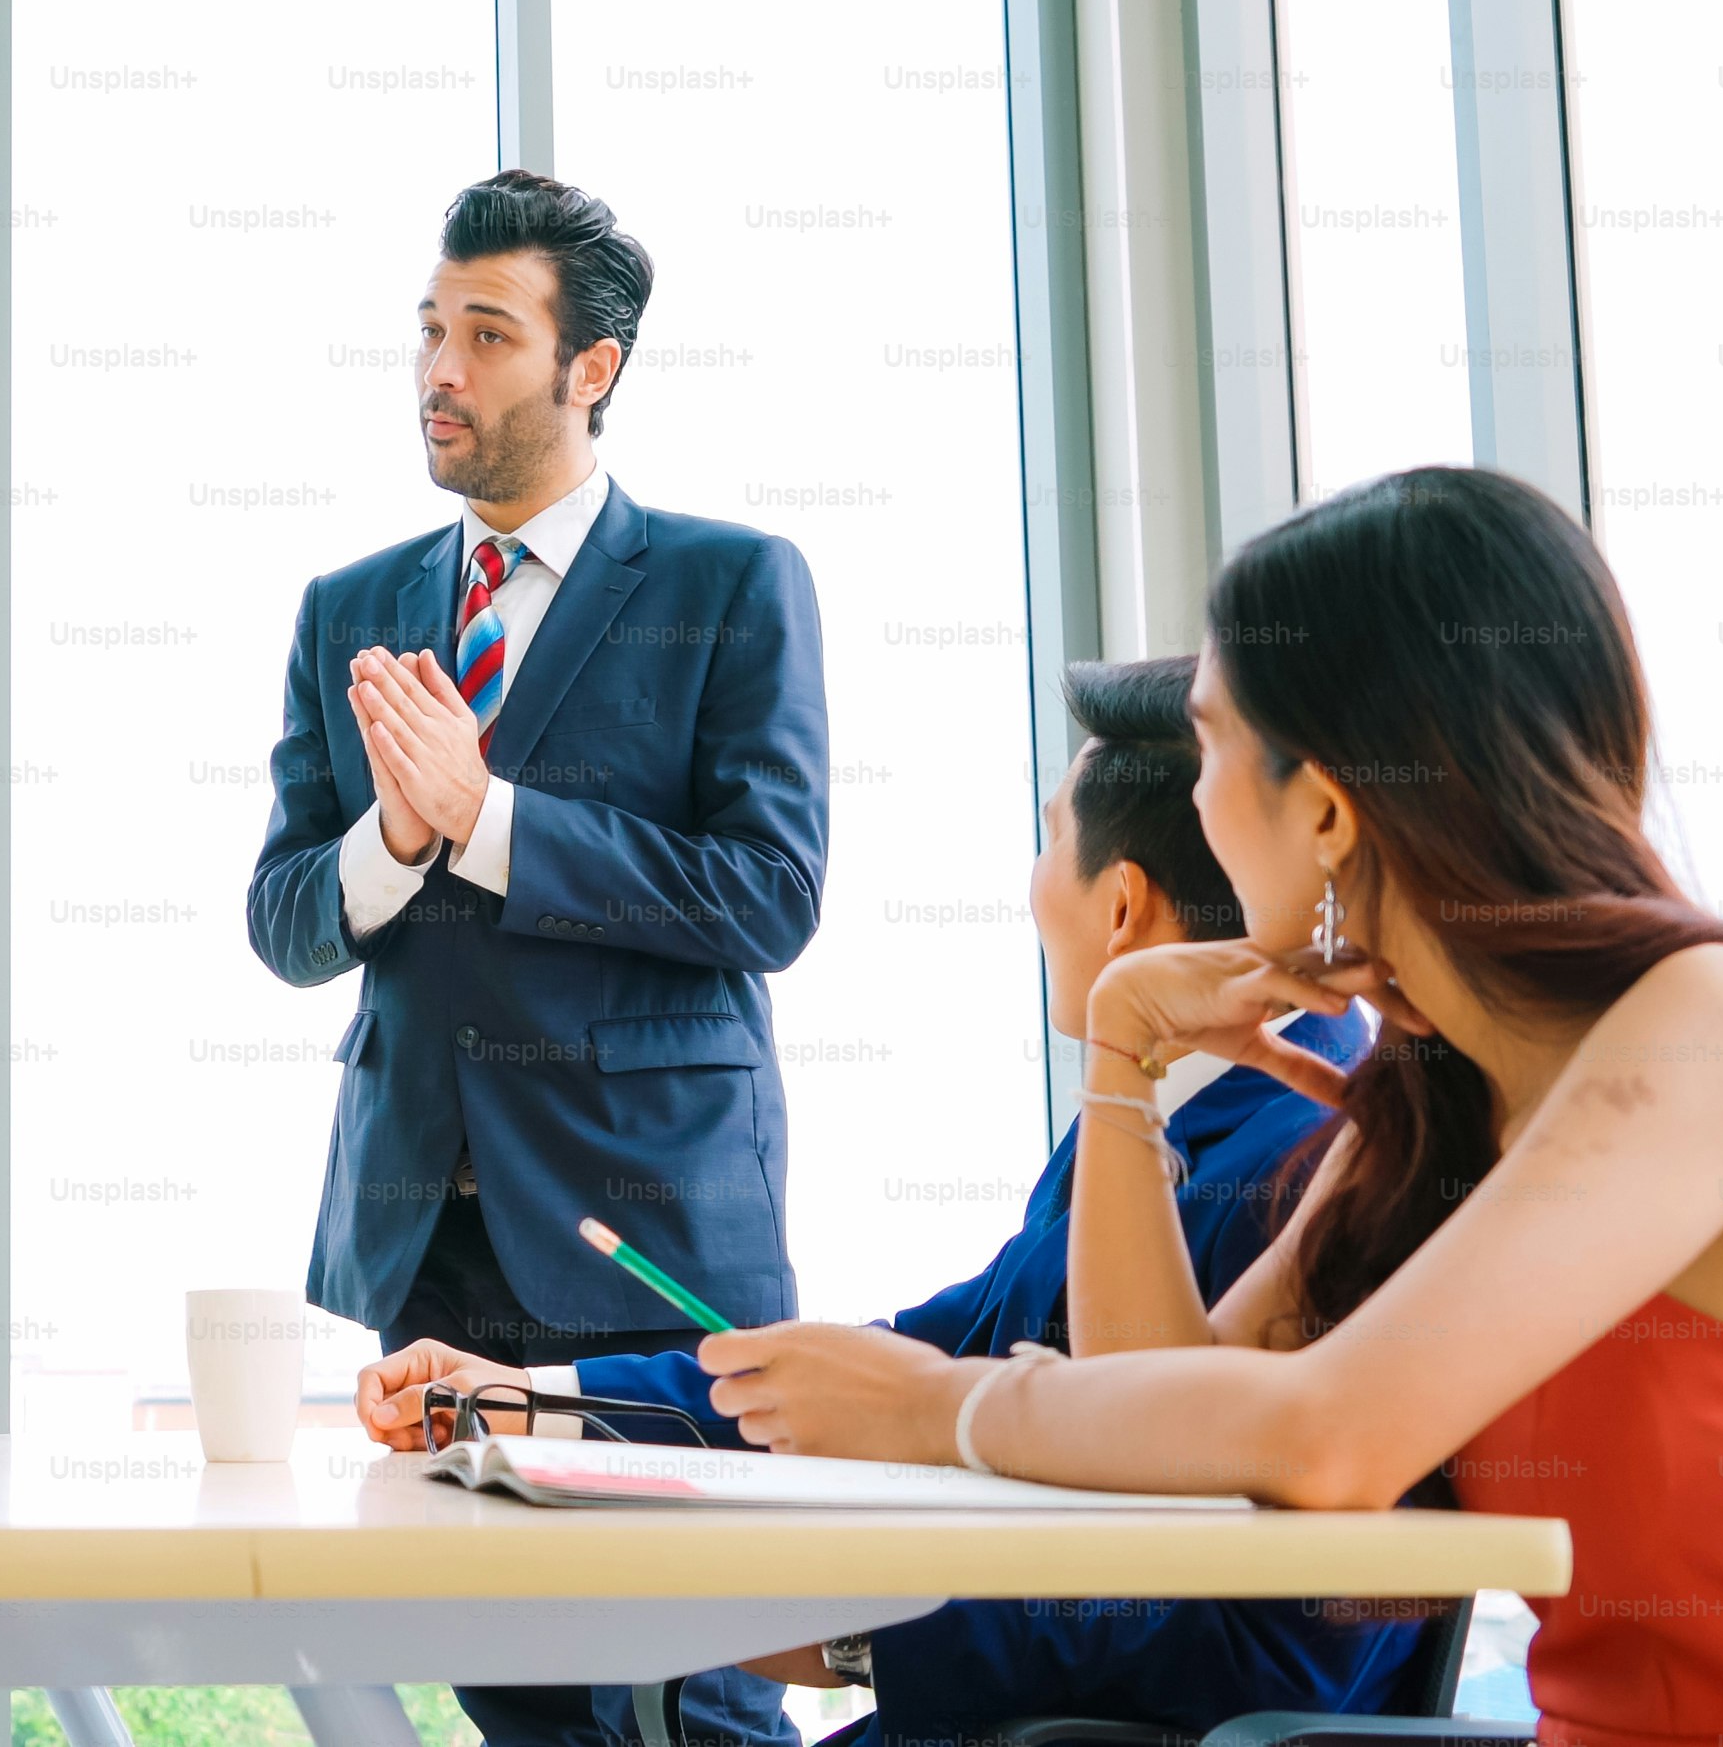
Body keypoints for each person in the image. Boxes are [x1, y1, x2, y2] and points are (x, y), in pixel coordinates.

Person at [692, 468, 1723, 1747]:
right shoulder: (1435, 1106)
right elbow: (1174, 1439)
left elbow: (1328, 1437)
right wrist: (1122, 1051)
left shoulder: (1708, 1026)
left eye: (1206, 744)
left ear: (1319, 806)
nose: (1189, 796)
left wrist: (935, 1405)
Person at [362, 655, 1437, 1742]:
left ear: (1120, 904)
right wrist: (535, 1394)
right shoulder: (1160, 1121)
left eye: (1046, 835)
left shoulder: (1307, 1159)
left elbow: (1226, 1616)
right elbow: (902, 1356)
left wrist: (857, 1635)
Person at [248, 168, 828, 1747]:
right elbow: (287, 915)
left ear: (594, 370)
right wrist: (402, 837)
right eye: (429, 329)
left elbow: (767, 894)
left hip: (643, 1226)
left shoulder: (726, 585)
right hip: (422, 1241)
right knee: (512, 1693)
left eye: (486, 334)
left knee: (688, 1699)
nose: (440, 370)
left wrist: (488, 816)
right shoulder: (347, 608)